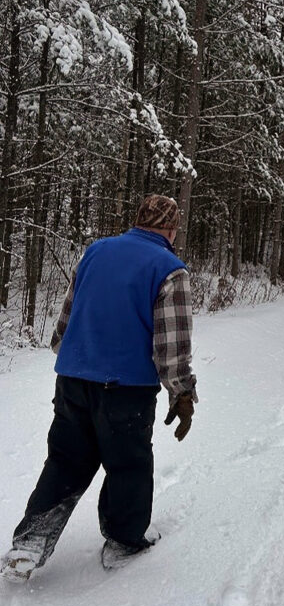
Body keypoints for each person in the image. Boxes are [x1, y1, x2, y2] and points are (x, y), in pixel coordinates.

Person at [1, 194, 196, 581]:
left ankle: (29, 541)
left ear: (138, 221)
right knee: (128, 463)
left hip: (73, 378)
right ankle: (124, 540)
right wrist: (182, 391)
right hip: (126, 390)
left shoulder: (96, 252)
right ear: (172, 230)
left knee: (65, 460)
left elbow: (69, 313)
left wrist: (68, 352)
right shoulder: (170, 268)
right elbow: (171, 344)